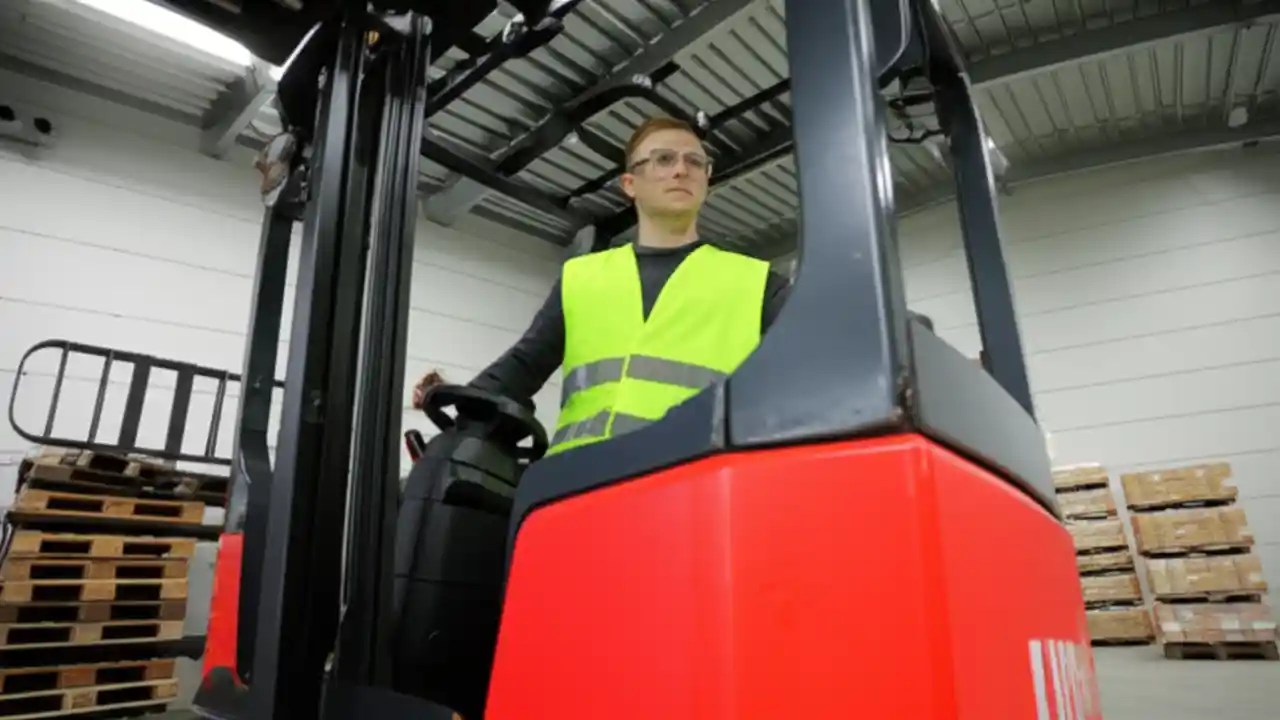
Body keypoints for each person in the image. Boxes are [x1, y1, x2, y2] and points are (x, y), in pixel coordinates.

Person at [466, 116, 791, 455]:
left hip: (694, 486)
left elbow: (811, 373)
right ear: (630, 184)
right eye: (664, 159)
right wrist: (463, 406)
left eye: (695, 161)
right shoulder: (582, 278)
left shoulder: (758, 284)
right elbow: (521, 367)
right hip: (579, 486)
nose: (682, 169)